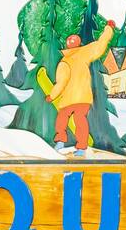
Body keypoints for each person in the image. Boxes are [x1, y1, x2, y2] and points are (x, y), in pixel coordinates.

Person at [47, 19, 115, 156]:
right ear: (79, 44)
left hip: (68, 100)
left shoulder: (64, 62)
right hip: (83, 97)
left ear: (67, 47)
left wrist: (52, 95)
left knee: (62, 118)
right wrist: (109, 28)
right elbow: (101, 44)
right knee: (80, 121)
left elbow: (61, 82)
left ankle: (60, 140)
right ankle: (81, 147)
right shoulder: (85, 53)